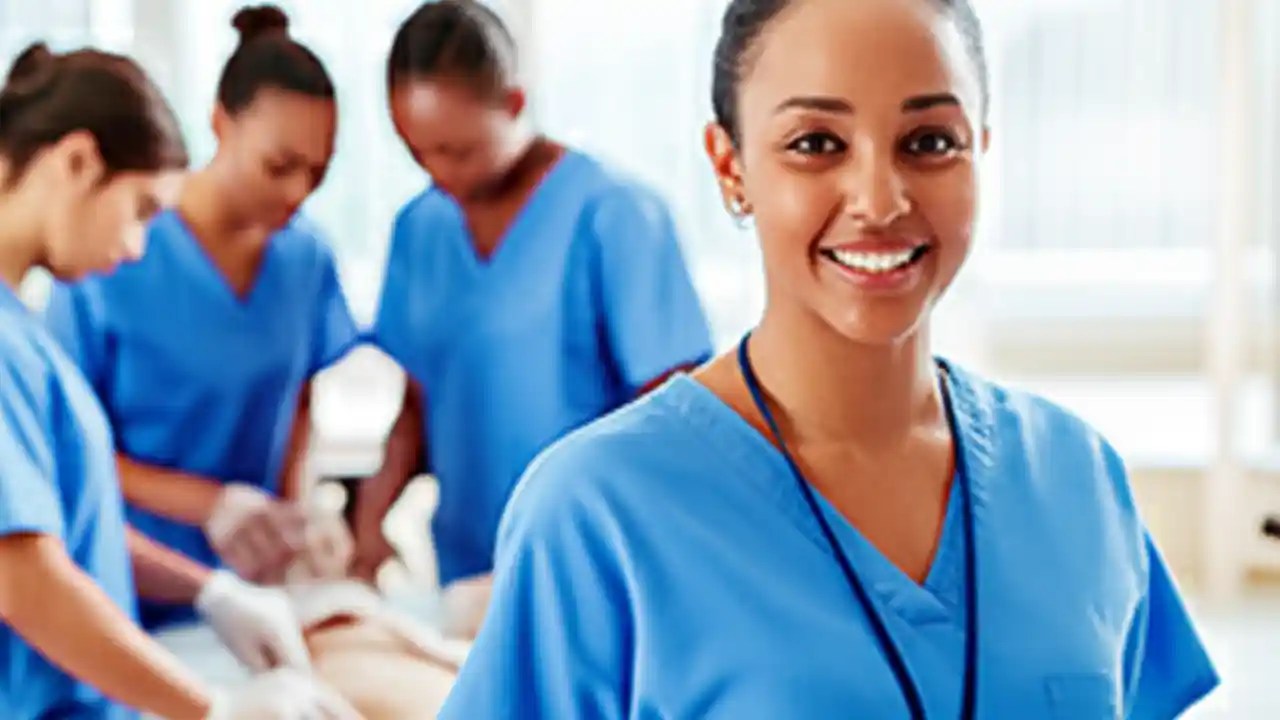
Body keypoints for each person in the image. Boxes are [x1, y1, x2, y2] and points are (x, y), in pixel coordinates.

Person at [439, 0, 1221, 718]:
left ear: (981, 152)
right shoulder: (598, 511)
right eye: (817, 144)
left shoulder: (1074, 476)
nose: (879, 200)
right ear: (730, 166)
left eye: (931, 142)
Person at [0, 42, 357, 719]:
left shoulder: (19, 332)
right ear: (76, 162)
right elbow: (24, 581)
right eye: (139, 209)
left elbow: (65, 531)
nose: (137, 246)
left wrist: (207, 591)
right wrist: (212, 710)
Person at [354, 0, 713, 606]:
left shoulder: (613, 215)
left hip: (592, 567)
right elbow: (418, 405)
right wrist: (366, 533)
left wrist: (607, 551)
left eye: (459, 150)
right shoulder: (420, 228)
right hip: (466, 571)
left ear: (515, 104)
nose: (440, 173)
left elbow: (672, 420)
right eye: (418, 153)